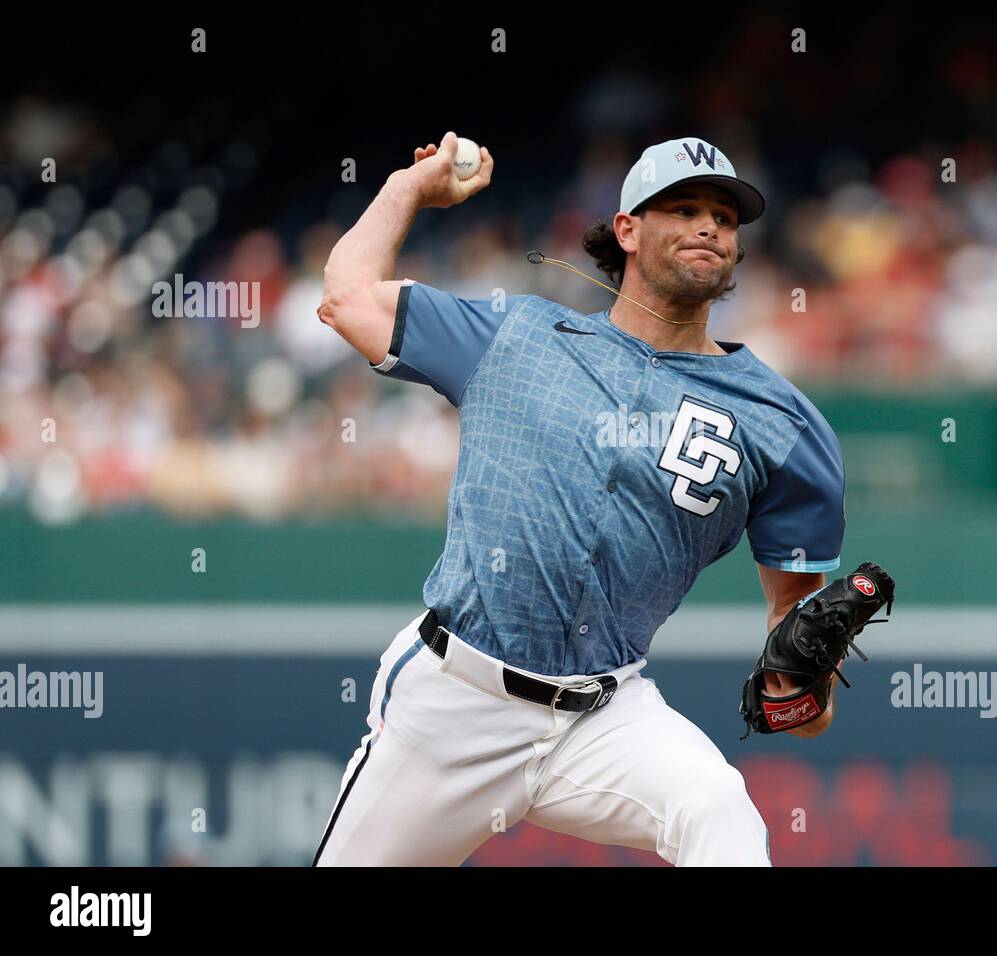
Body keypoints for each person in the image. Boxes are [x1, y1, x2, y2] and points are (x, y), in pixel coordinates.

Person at [313, 133, 847, 866]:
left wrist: (802, 693)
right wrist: (410, 188)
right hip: (453, 704)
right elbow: (346, 295)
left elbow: (796, 626)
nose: (708, 228)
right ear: (626, 229)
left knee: (717, 807)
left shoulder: (783, 423)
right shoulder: (516, 335)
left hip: (603, 715)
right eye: (683, 209)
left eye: (724, 218)